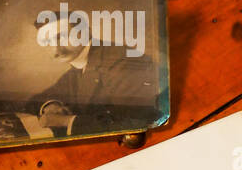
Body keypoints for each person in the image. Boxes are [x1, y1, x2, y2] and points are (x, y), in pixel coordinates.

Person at [29, 13, 159, 137]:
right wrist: (51, 105)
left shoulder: (120, 62)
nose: (55, 49)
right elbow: (38, 99)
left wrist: (67, 121)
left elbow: (138, 122)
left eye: (61, 37)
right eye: (47, 42)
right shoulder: (78, 65)